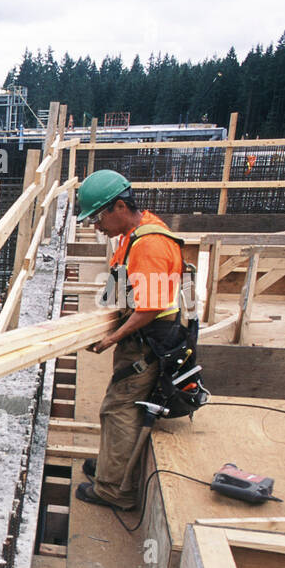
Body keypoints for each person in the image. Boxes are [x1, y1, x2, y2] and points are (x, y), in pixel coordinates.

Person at [74, 169, 187, 510]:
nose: (96, 225)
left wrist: (111, 338)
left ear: (119, 207)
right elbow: (120, 287)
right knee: (116, 405)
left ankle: (114, 490)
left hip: (147, 341)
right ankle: (111, 467)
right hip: (139, 337)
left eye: (98, 217)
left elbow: (150, 307)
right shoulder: (134, 233)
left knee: (119, 408)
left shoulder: (149, 245)